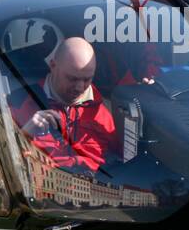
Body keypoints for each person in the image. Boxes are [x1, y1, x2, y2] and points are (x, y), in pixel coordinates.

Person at [9, 37, 118, 172]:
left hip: (95, 188)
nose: (79, 87)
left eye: (87, 79)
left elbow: (126, 162)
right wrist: (25, 133)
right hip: (41, 188)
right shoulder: (19, 102)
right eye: (72, 78)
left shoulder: (105, 111)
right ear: (53, 66)